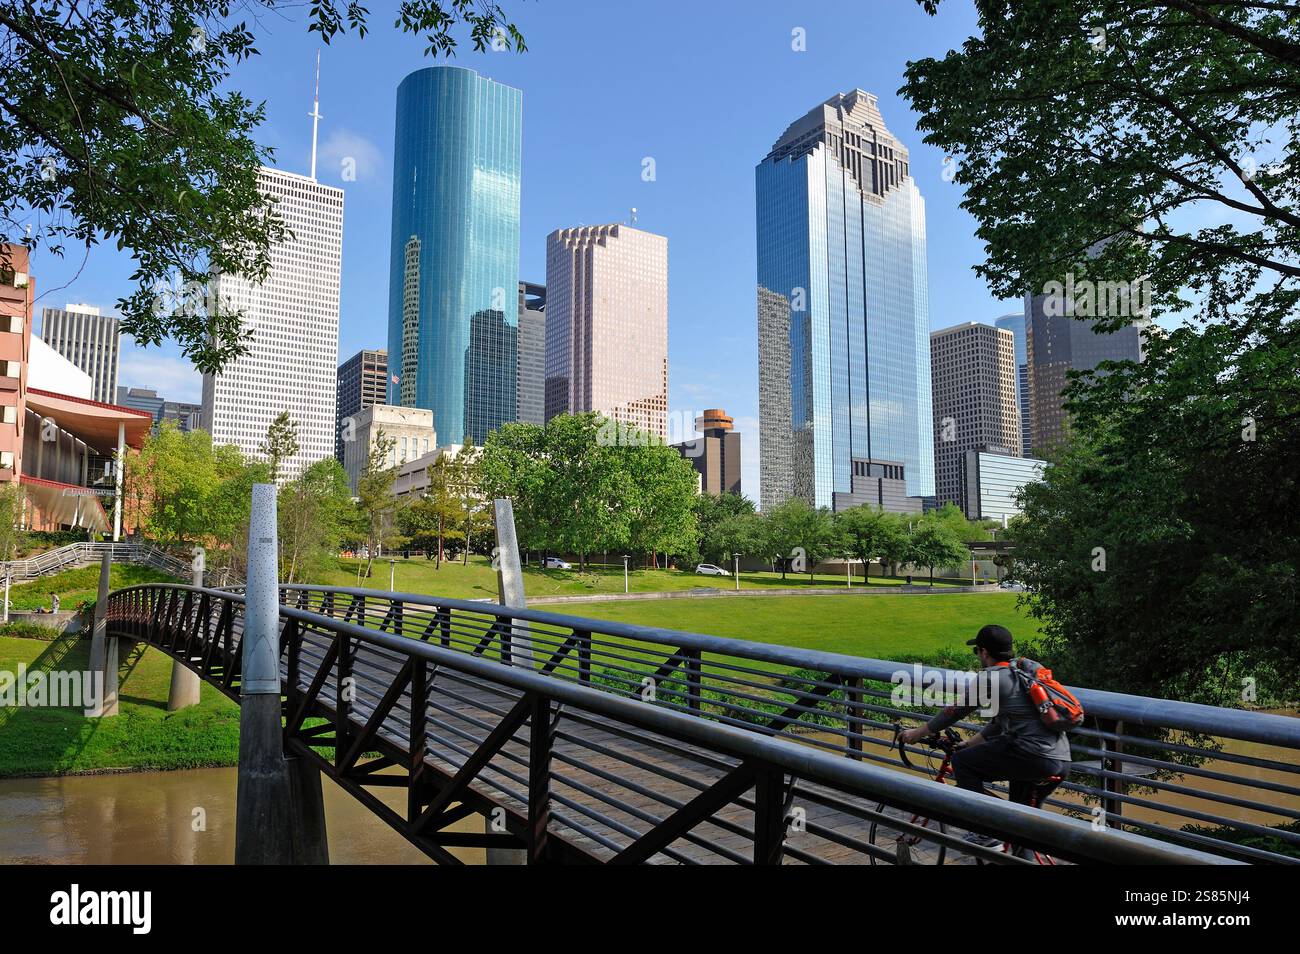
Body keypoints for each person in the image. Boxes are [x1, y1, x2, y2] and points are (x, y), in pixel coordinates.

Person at [899, 624, 1071, 848]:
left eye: (977, 651)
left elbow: (956, 710)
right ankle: (1009, 836)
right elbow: (999, 724)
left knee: (962, 763)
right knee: (1021, 832)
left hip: (1033, 755)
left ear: (984, 652)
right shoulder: (1021, 673)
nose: (978, 656)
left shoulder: (992, 677)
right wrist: (970, 743)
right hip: (1060, 760)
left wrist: (917, 732)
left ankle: (987, 830)